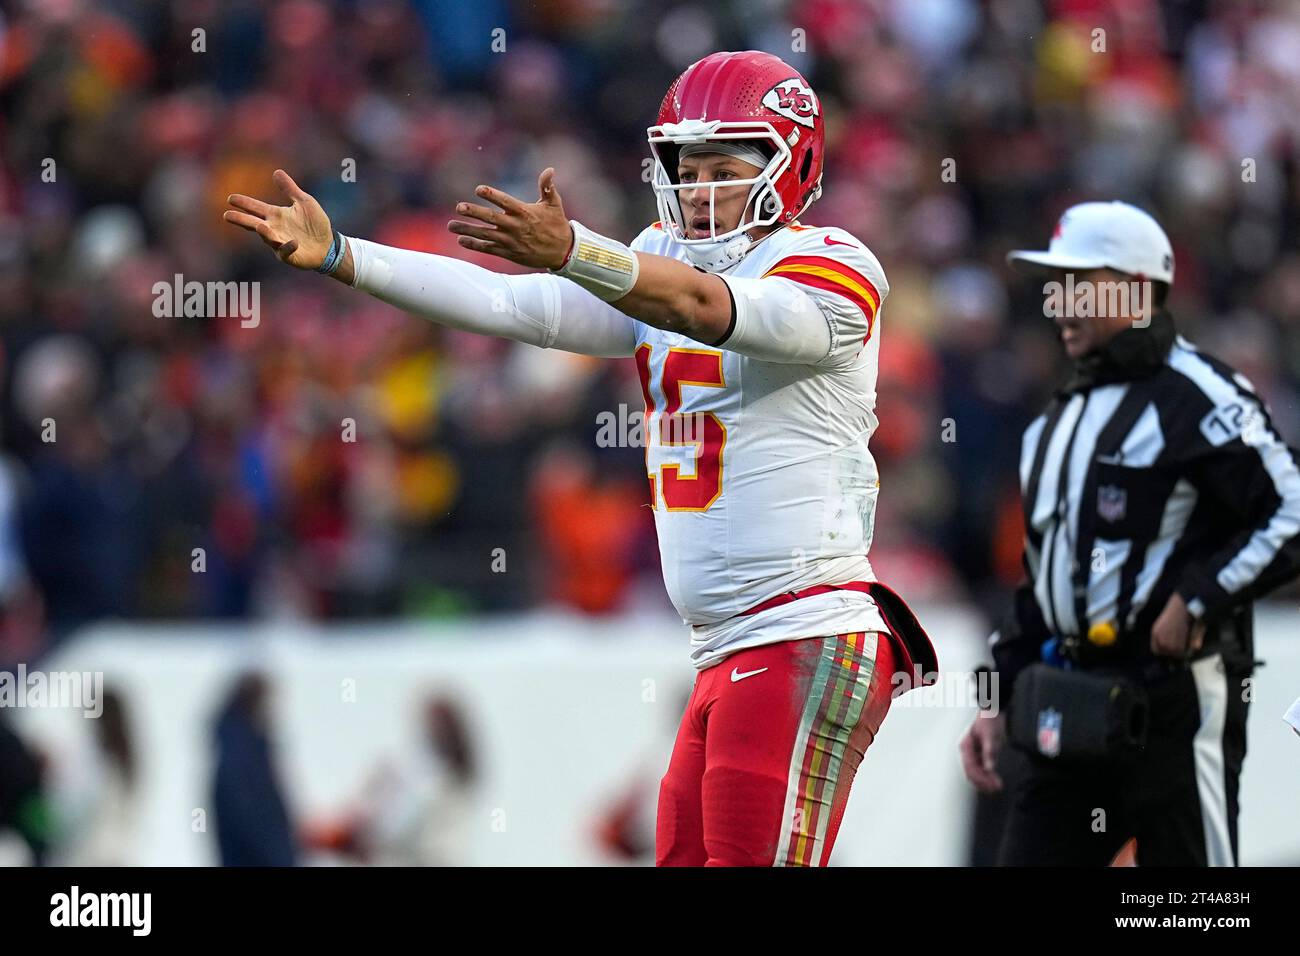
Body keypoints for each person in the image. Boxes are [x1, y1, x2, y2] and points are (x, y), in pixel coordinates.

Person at [223, 50, 937, 868]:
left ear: (793, 164)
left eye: (726, 168)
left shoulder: (834, 266)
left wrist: (577, 252)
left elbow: (707, 307)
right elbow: (510, 304)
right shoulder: (658, 265)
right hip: (728, 647)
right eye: (686, 166)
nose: (700, 189)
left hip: (804, 630)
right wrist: (347, 255)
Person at [959, 201, 1300, 865]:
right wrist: (995, 698)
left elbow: (1289, 510)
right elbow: (1042, 582)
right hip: (1066, 701)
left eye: (1079, 285)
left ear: (1137, 288)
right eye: (1055, 287)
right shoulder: (1056, 420)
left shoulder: (1199, 393)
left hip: (1173, 702)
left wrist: (1198, 596)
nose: (1059, 306)